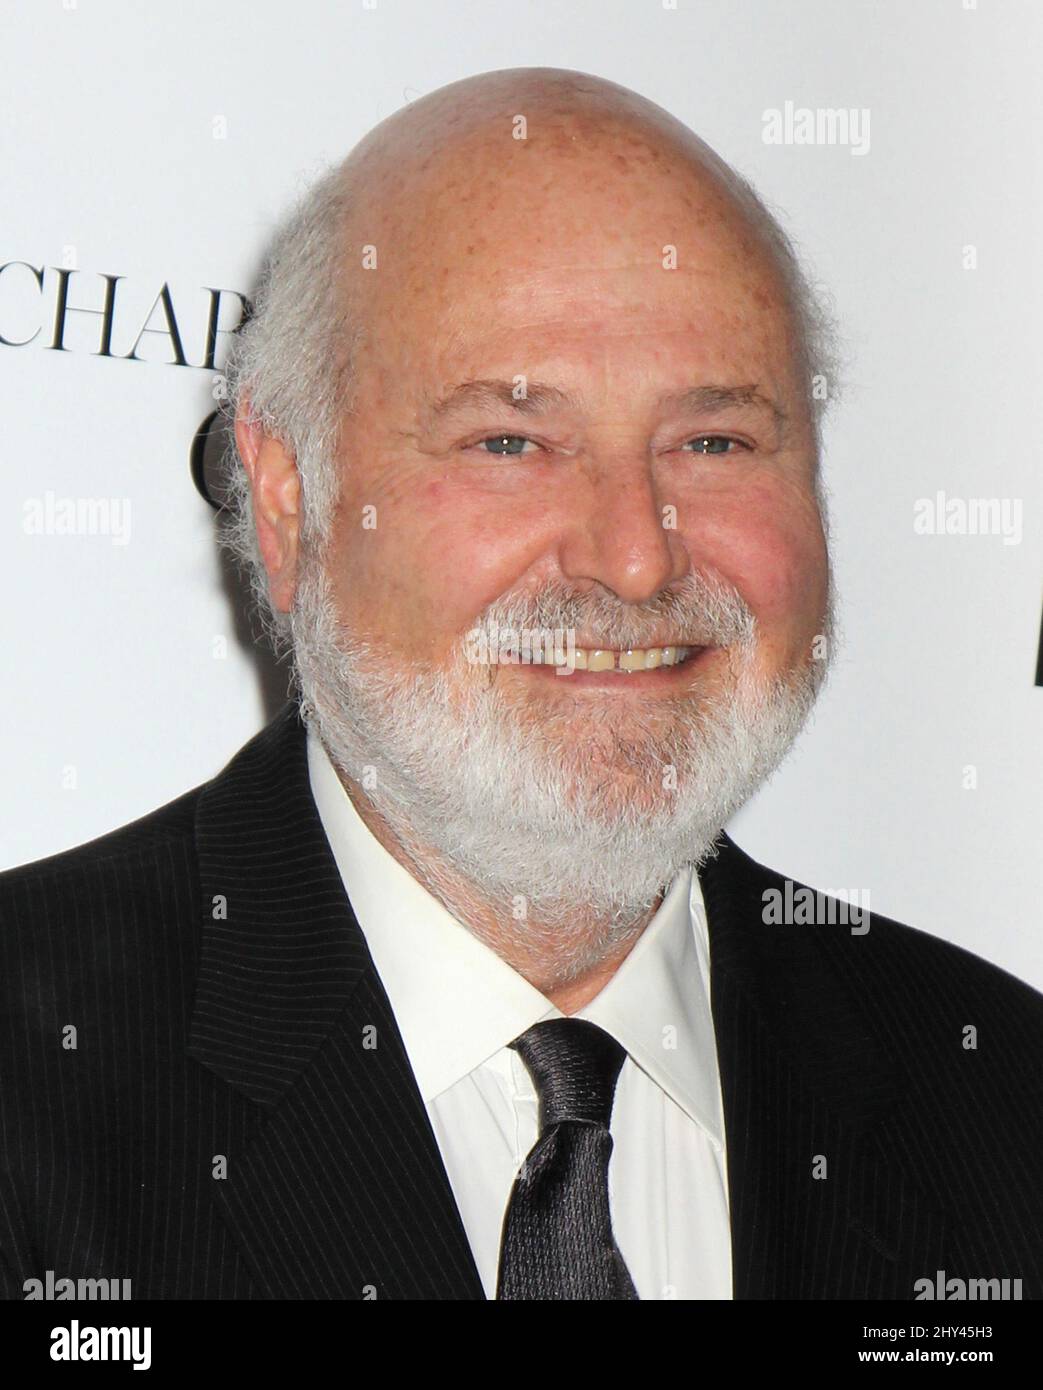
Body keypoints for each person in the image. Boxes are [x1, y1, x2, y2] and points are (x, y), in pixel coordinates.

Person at [1, 67, 1040, 1302]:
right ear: (287, 505)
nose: (635, 553)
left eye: (712, 440)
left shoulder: (1000, 1106)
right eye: (511, 442)